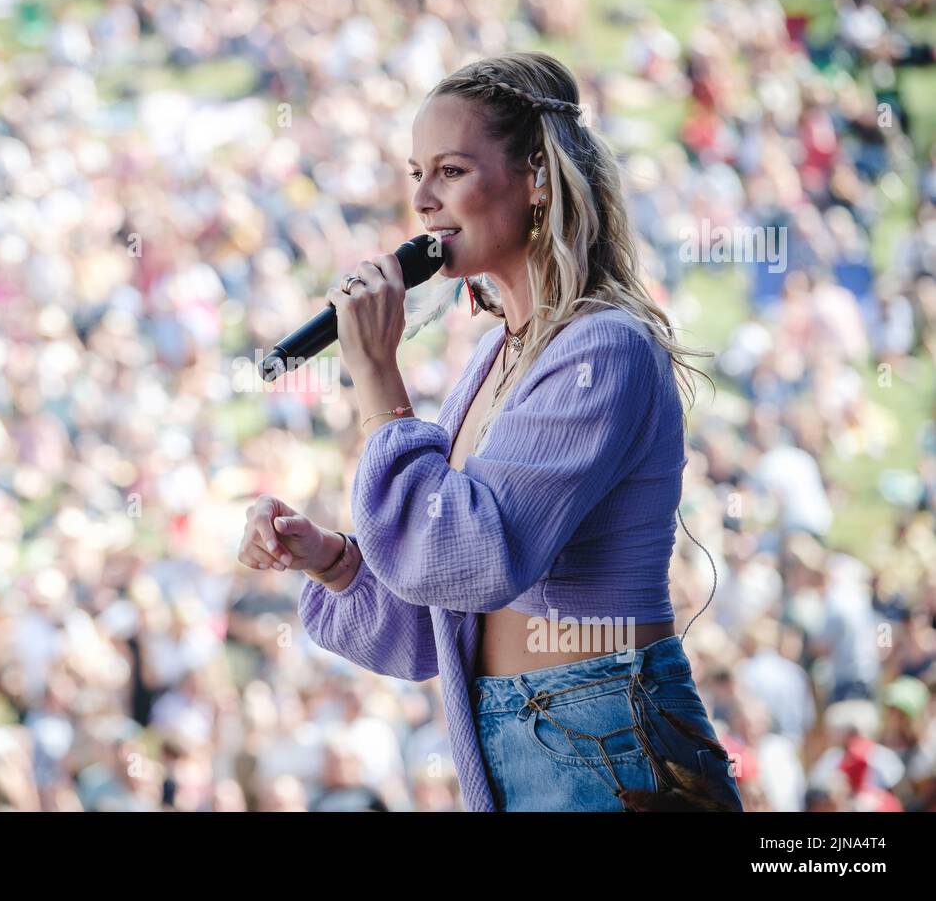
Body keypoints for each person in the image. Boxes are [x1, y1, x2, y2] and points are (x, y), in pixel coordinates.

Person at [238, 53, 743, 812]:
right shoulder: (494, 356)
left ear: (537, 178)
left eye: (450, 170)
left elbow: (479, 555)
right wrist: (337, 562)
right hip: (521, 747)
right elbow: (437, 624)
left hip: (612, 741)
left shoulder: (604, 347)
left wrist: (378, 380)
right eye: (417, 173)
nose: (422, 199)